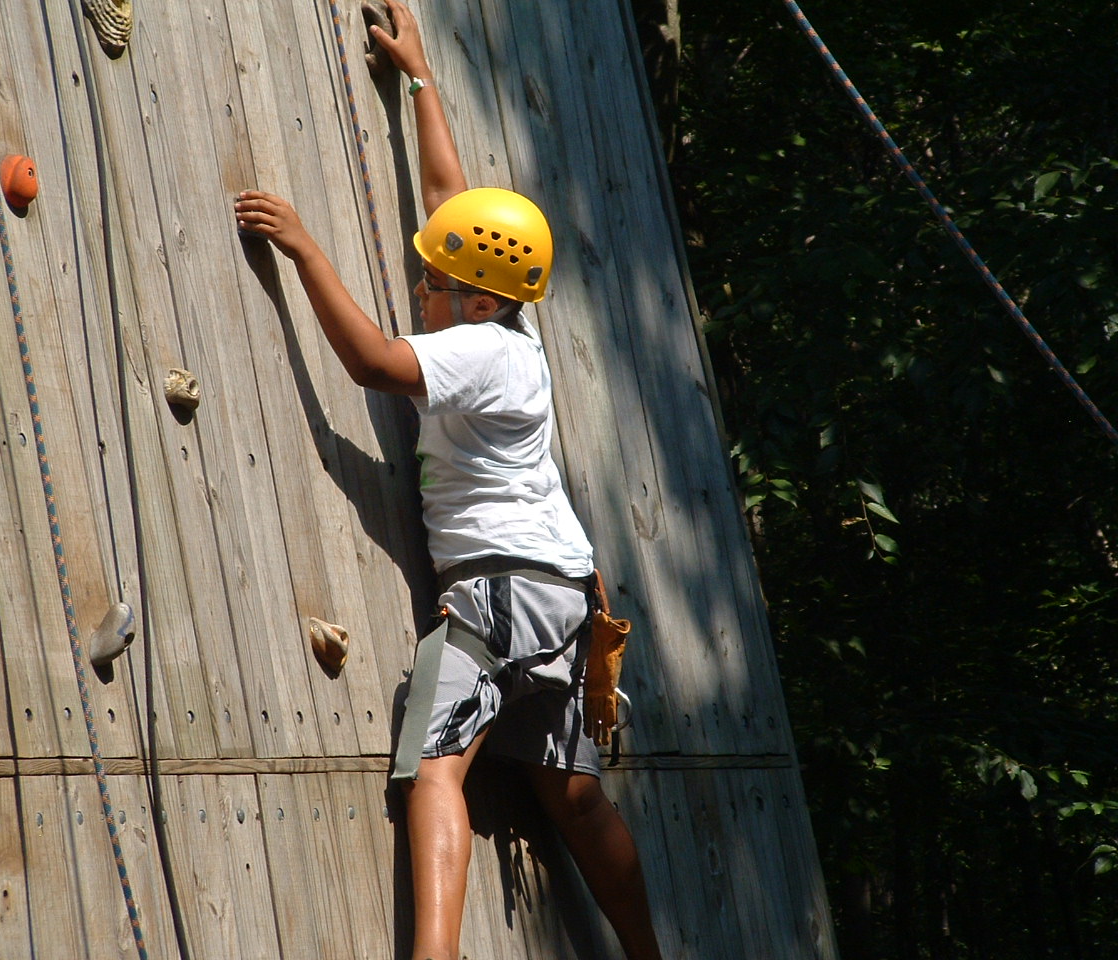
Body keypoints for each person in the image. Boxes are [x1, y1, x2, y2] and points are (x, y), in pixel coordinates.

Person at [234, 3, 664, 958]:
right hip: (565, 598)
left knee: (434, 770)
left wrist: (305, 251)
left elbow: (376, 366)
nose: (417, 283)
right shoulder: (511, 329)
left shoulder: (473, 349)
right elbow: (452, 202)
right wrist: (421, 81)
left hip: (498, 593)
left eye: (432, 278)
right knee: (575, 795)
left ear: (472, 296)